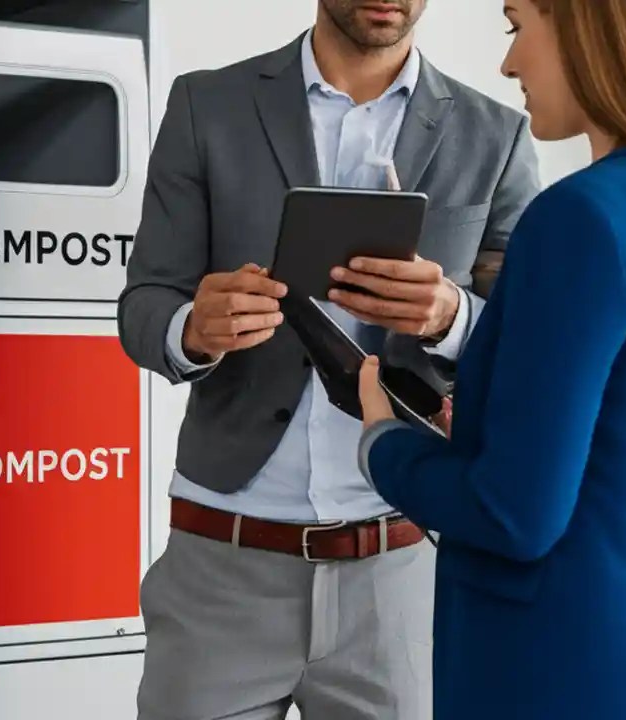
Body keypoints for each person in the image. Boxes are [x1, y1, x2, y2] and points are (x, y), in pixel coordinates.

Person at [355, 0, 626, 718]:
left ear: (594, 30)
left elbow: (513, 515)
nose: (508, 62)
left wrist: (384, 442)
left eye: (517, 26)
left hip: (567, 680)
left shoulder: (580, 219)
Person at [117, 0, 540, 717]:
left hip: (401, 568)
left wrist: (452, 316)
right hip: (222, 564)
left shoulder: (496, 134)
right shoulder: (206, 103)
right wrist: (195, 326)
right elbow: (144, 304)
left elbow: (533, 338)